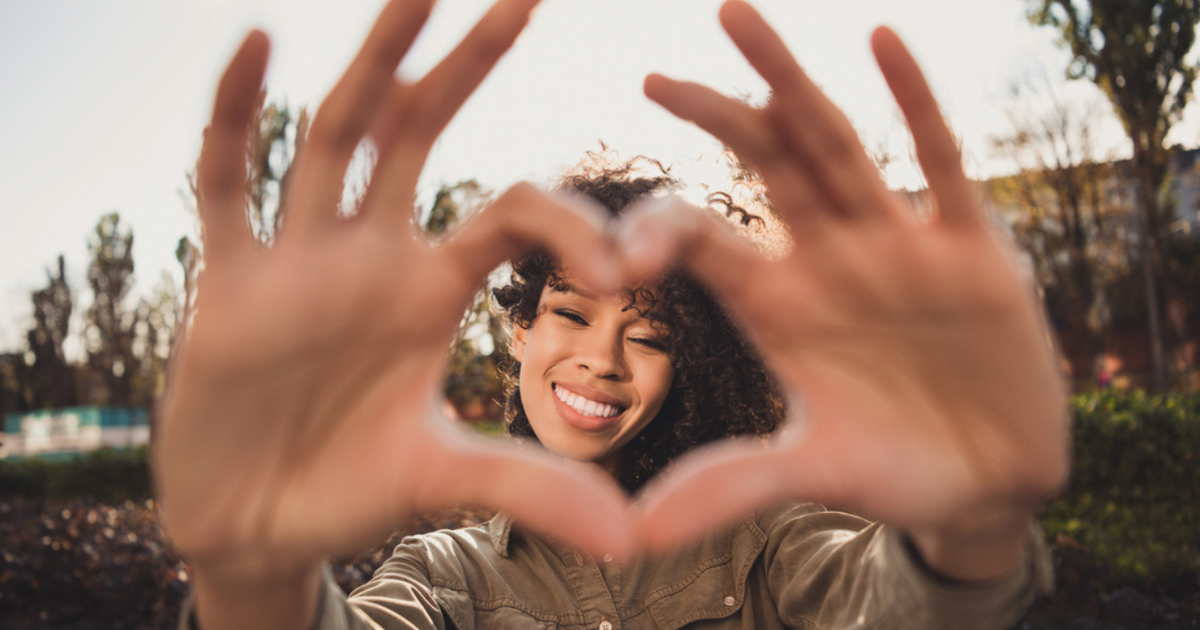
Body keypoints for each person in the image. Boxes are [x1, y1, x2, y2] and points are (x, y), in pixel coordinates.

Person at [155, 0, 1070, 629]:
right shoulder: (449, 577)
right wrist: (250, 576)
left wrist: (972, 527)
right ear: (519, 328)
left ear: (693, 366)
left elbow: (904, 607)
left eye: (650, 335)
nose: (603, 360)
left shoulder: (769, 544)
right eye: (570, 314)